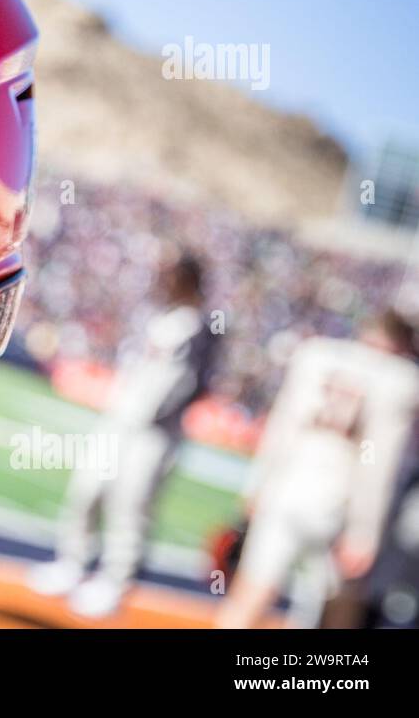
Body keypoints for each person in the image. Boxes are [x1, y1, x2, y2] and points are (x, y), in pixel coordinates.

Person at [28, 254, 217, 617]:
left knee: (130, 508)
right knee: (87, 490)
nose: (161, 281)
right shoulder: (157, 317)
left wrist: (159, 411)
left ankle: (114, 583)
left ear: (187, 279)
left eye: (169, 275)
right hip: (120, 420)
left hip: (155, 433)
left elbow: (197, 383)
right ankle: (72, 563)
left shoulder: (200, 327)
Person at [215, 310, 419, 629]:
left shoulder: (317, 356)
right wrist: (364, 530)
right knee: (332, 610)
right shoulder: (399, 381)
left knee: (250, 595)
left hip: (286, 489)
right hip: (338, 504)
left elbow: (282, 427)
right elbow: (376, 463)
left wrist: (257, 487)